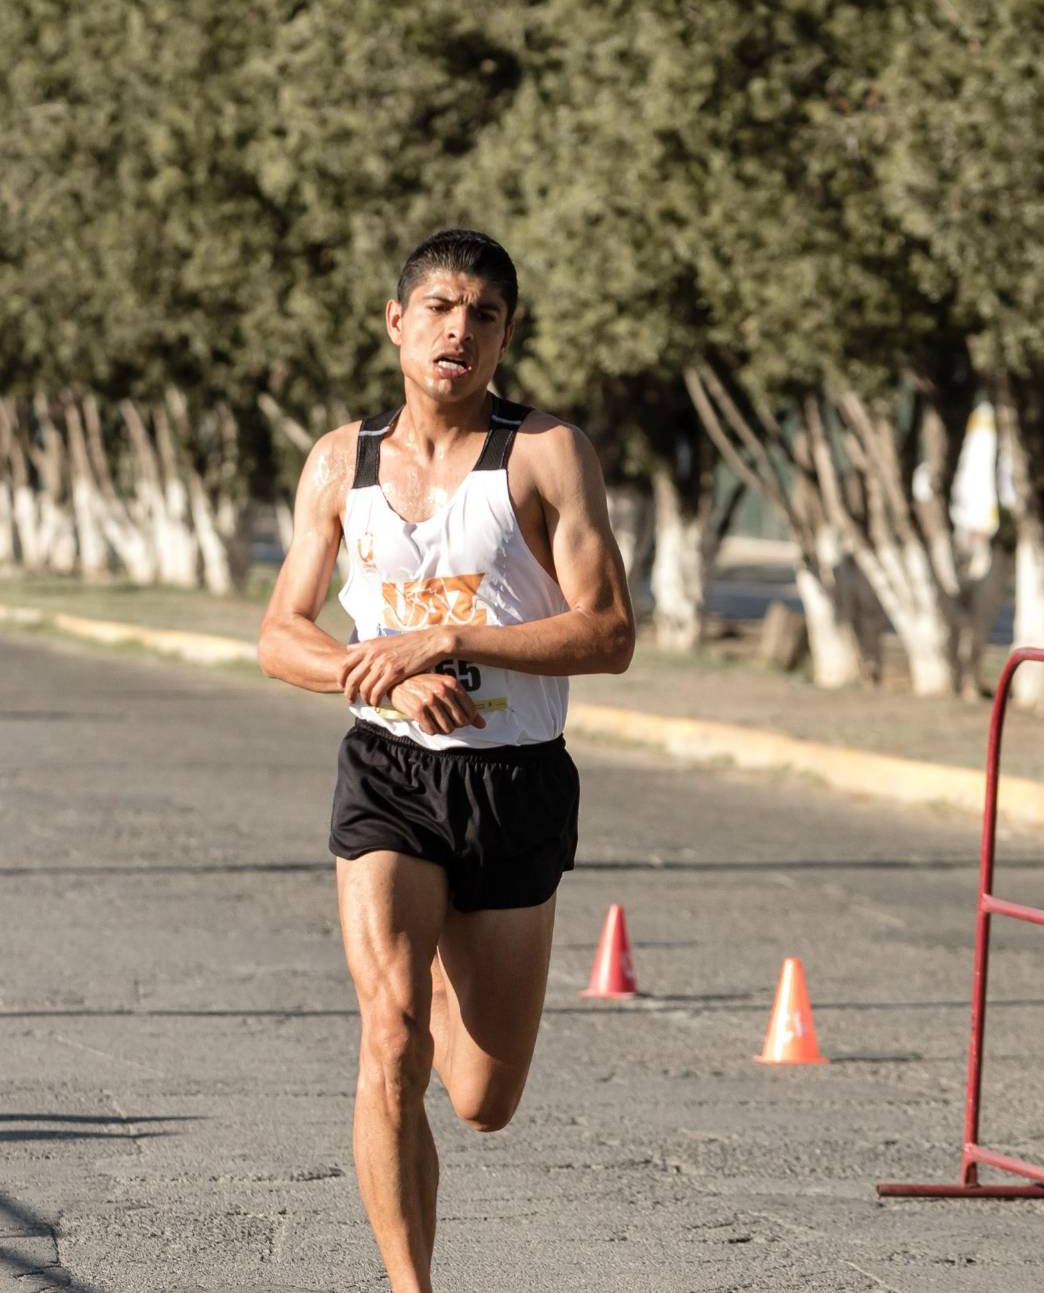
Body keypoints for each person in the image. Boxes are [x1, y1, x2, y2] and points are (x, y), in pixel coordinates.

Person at [258, 230, 635, 1291]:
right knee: (390, 1039)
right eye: (437, 308)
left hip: (514, 782)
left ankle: (435, 953)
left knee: (479, 1100)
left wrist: (451, 638)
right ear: (396, 322)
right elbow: (280, 633)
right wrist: (373, 675)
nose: (457, 331)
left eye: (482, 315)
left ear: (505, 336)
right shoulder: (339, 462)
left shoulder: (545, 454)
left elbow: (609, 633)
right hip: (392, 773)